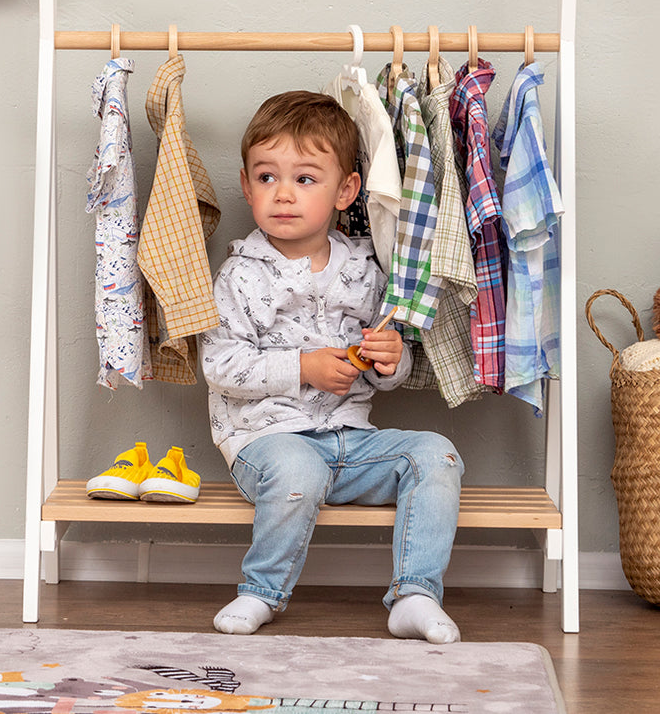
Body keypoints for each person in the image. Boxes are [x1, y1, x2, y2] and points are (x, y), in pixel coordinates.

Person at [199, 90, 464, 643]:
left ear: (346, 191)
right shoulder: (240, 275)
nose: (283, 193)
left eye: (305, 179)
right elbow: (221, 365)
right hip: (267, 442)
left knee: (436, 453)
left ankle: (415, 594)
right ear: (246, 185)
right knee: (299, 470)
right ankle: (261, 591)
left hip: (351, 442)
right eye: (267, 177)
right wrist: (303, 367)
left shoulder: (366, 271)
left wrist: (390, 360)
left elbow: (380, 369)